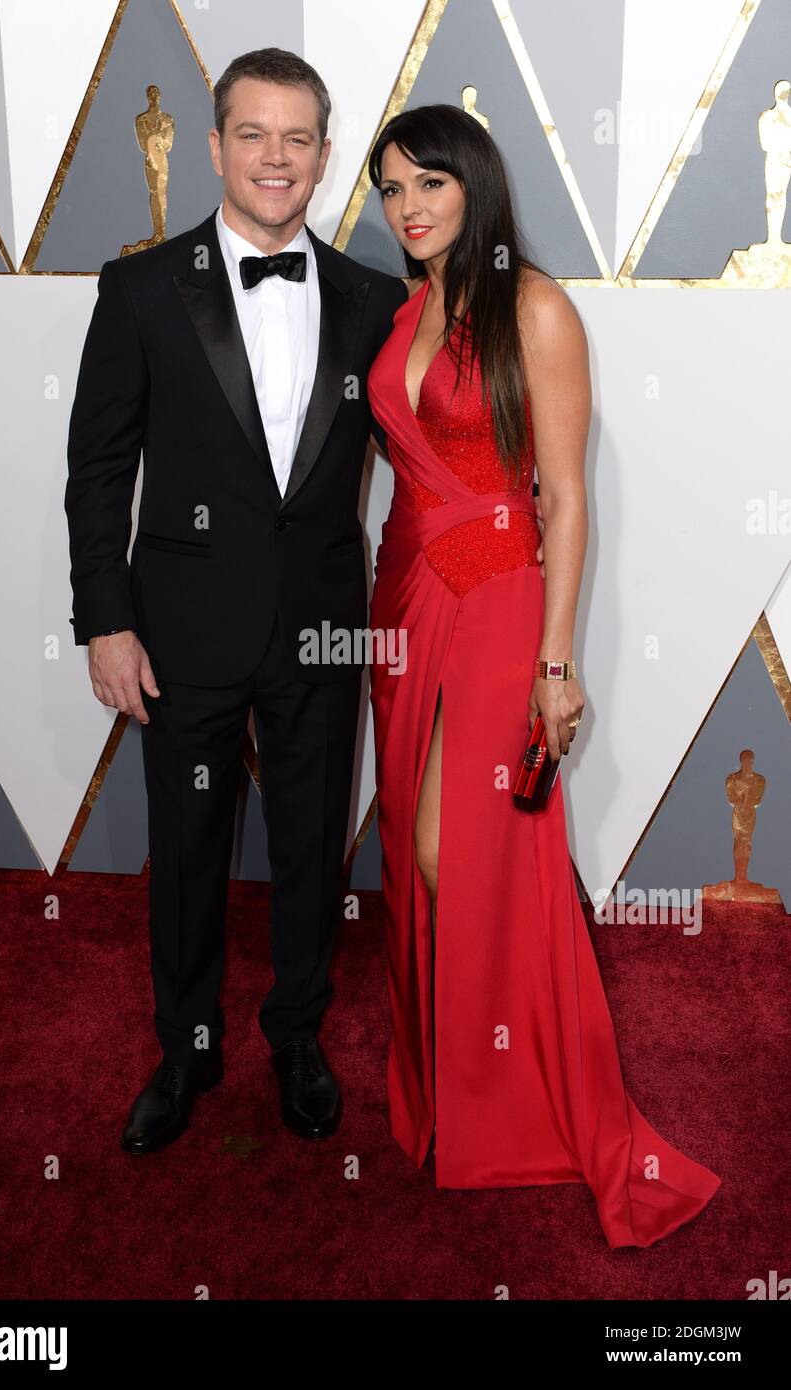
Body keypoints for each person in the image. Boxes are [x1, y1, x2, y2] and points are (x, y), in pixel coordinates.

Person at [365, 104, 721, 1248]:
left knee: (456, 846)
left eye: (427, 184)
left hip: (502, 603)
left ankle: (513, 1097)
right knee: (417, 863)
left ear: (474, 186)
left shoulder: (536, 307)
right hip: (408, 598)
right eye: (388, 191)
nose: (408, 209)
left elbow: (561, 498)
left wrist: (554, 663)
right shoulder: (411, 307)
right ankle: (453, 1090)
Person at [65, 48, 408, 1154]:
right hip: (180, 627)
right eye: (252, 134)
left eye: (296, 137)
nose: (274, 156)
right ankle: (186, 1047)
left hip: (319, 621)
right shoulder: (139, 288)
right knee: (190, 845)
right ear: (213, 148)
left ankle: (296, 1038)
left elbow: (429, 438)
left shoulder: (374, 300)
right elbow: (98, 469)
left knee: (311, 848)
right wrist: (103, 619)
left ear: (321, 155)